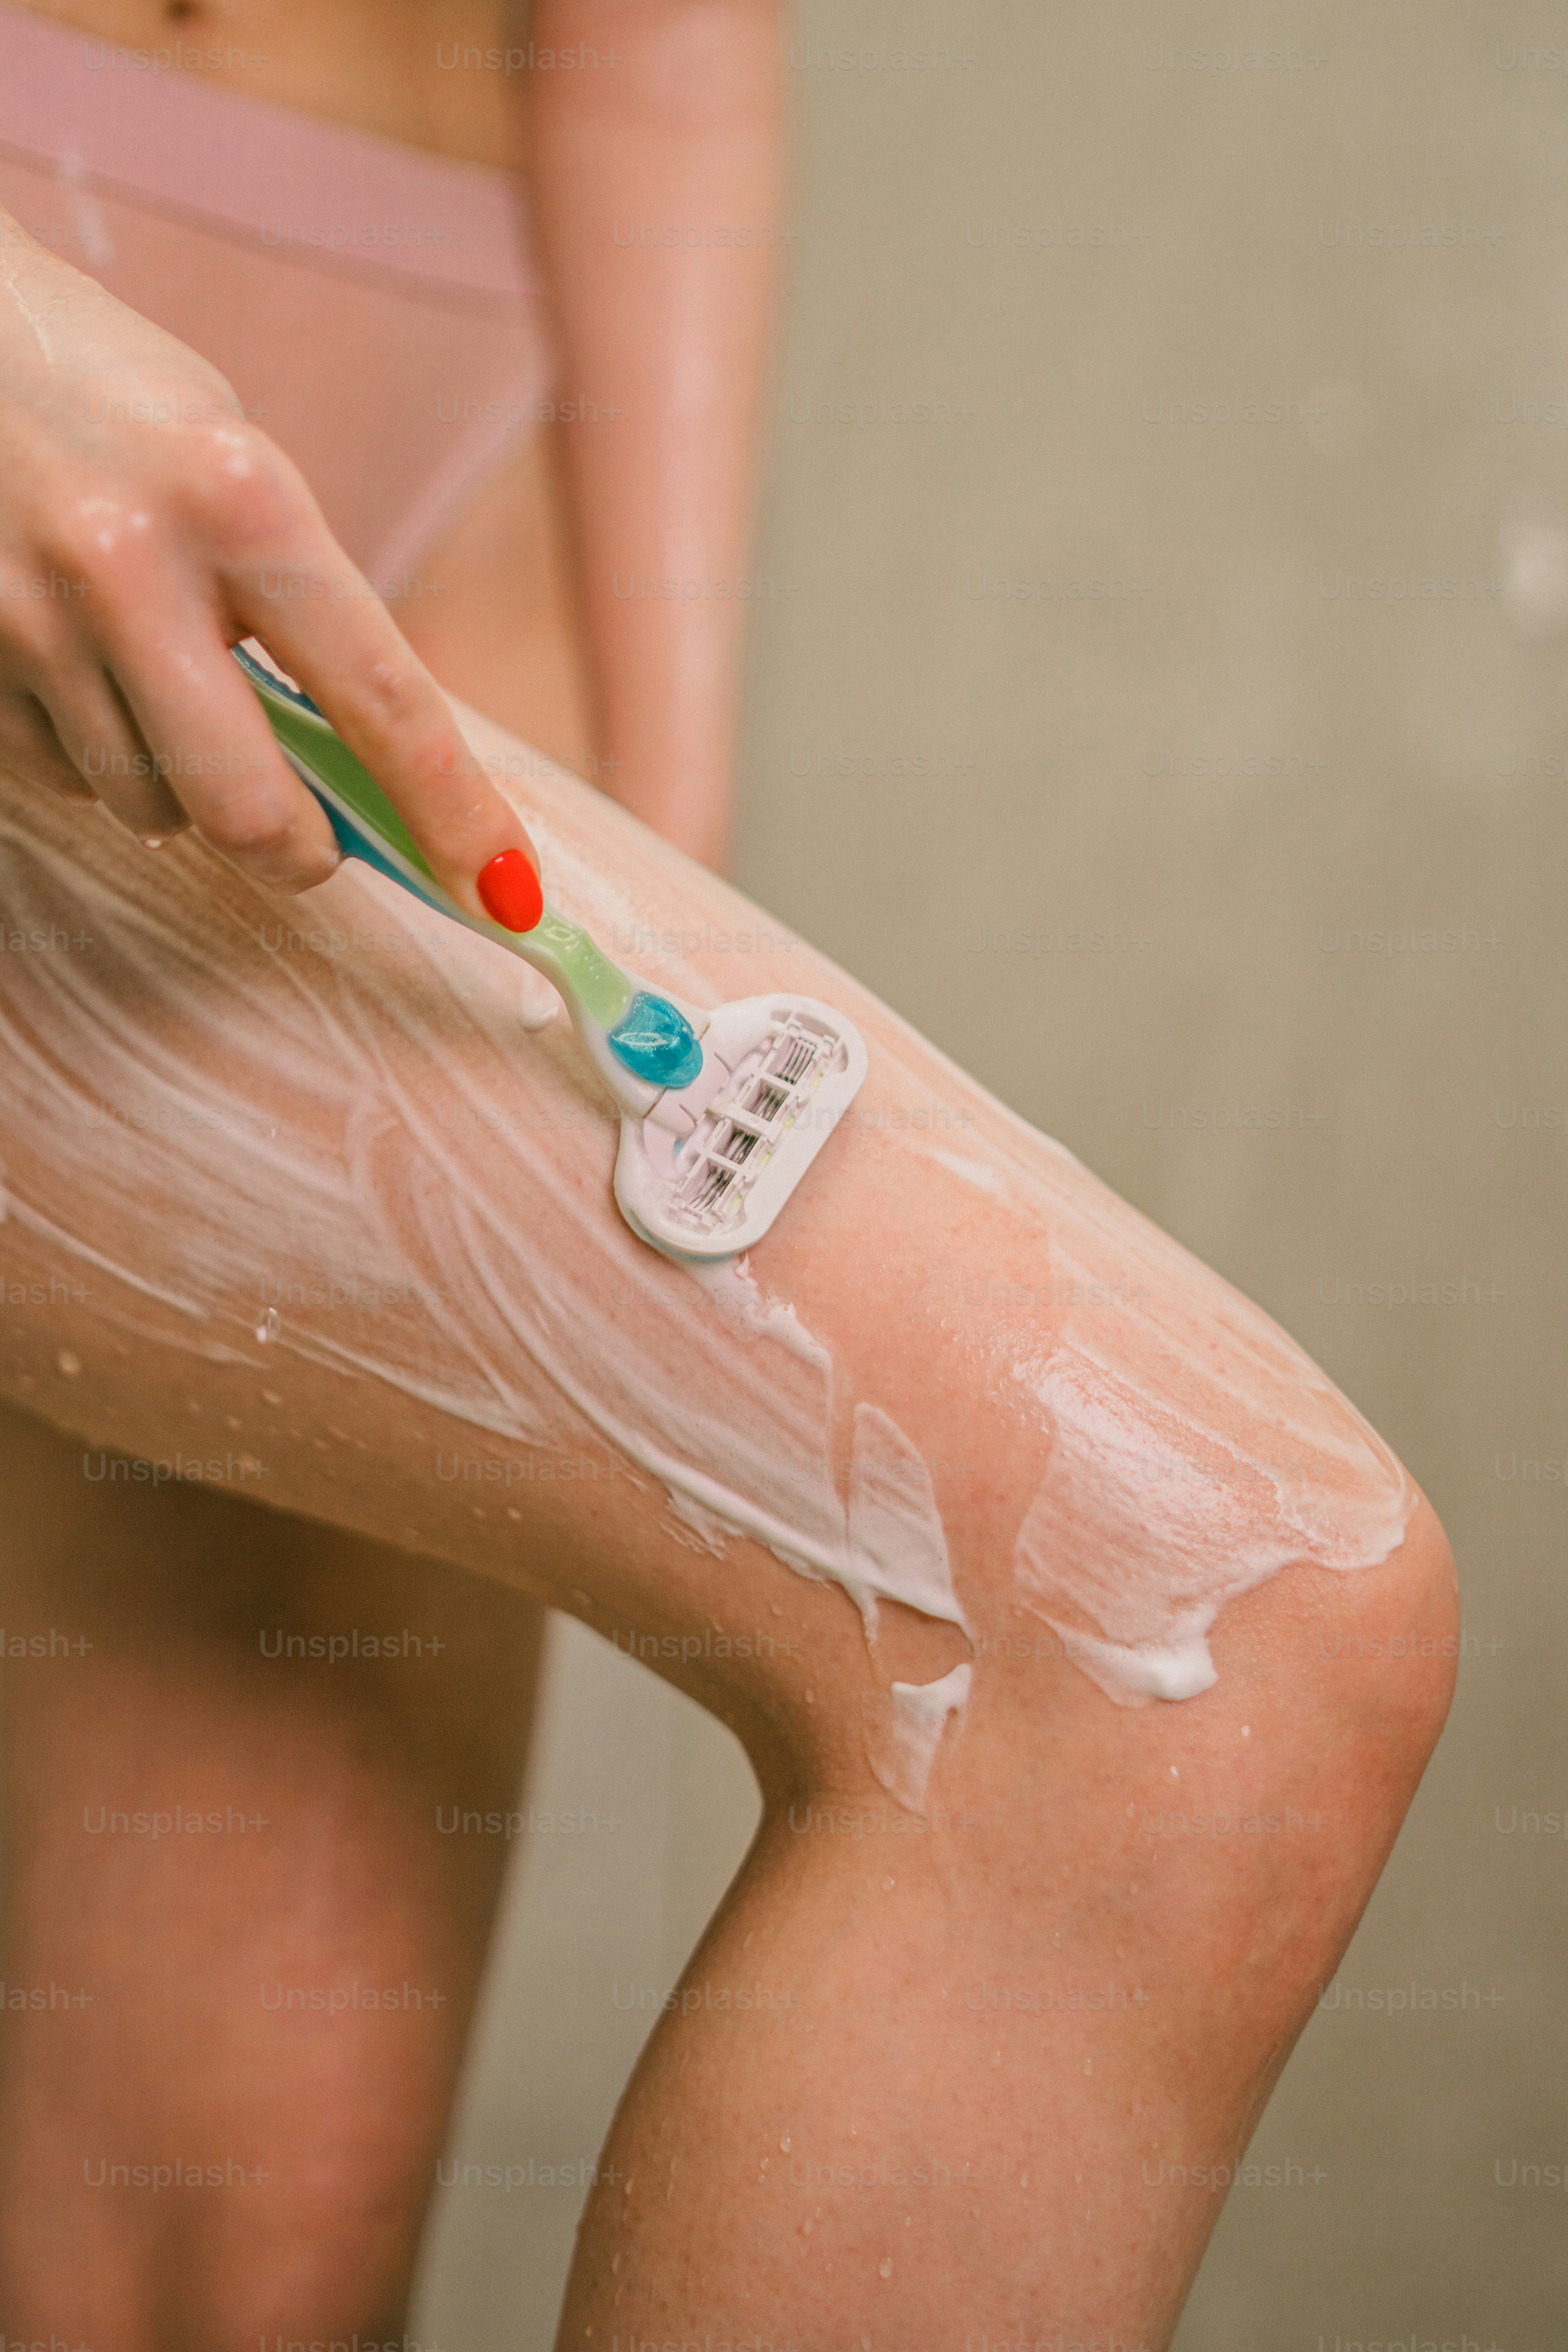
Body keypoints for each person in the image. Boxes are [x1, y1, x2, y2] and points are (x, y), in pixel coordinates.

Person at [0, 5, 1457, 2346]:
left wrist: (648, 793)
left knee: (229, 2258)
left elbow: (659, 49)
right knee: (1199, 1624)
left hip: (446, 408)